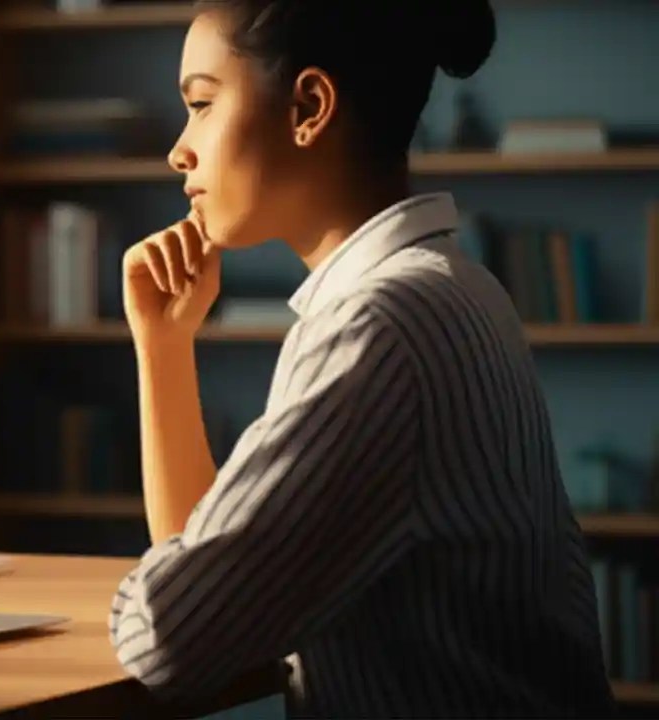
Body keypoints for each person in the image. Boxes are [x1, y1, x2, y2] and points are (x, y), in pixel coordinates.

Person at [108, 1, 616, 717]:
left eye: (200, 103)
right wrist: (163, 345)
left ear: (309, 108)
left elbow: (167, 638)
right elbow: (212, 589)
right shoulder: (451, 286)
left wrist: (169, 592)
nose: (179, 149)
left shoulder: (381, 329)